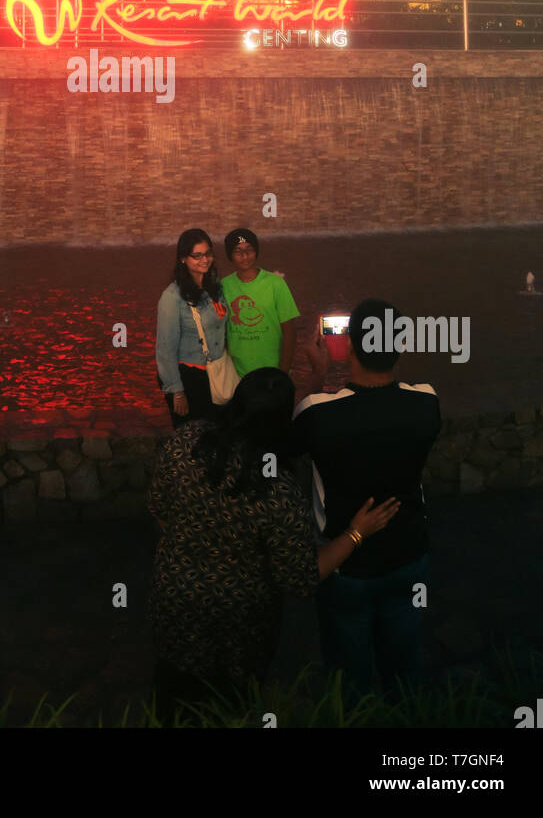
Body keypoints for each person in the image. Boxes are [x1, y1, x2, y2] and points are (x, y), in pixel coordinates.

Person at [146, 367, 400, 720]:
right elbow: (301, 577)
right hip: (239, 626)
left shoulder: (184, 442)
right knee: (228, 707)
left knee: (173, 698)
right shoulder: (276, 490)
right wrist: (356, 532)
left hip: (175, 599)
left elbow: (159, 509)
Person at [291, 297, 441, 699]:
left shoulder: (318, 413)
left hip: (346, 565)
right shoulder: (427, 402)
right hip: (408, 554)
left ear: (350, 347)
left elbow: (293, 434)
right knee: (405, 663)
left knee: (348, 676)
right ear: (401, 348)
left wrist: (317, 375)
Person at [155, 229, 227, 429]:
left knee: (217, 434)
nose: (205, 260)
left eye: (208, 253)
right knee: (191, 439)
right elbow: (165, 349)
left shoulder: (216, 288)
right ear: (183, 259)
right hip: (189, 378)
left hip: (216, 374)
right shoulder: (172, 297)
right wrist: (176, 391)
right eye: (197, 255)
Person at [222, 228, 299, 376]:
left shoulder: (275, 283)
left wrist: (282, 374)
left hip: (273, 372)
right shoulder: (224, 286)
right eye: (238, 251)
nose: (245, 256)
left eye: (249, 250)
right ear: (230, 255)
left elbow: (289, 332)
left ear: (256, 251)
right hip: (237, 375)